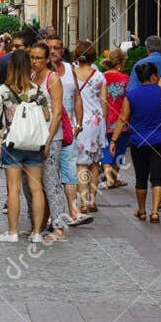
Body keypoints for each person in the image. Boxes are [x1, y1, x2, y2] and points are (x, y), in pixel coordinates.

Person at [0, 48, 50, 244]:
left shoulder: (4, 90)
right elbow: (47, 116)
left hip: (13, 142)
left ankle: (13, 232)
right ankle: (36, 233)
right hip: (34, 144)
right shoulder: (37, 90)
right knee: (36, 189)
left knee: (13, 189)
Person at [113, 62, 161, 223]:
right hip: (160, 141)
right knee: (157, 177)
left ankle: (141, 210)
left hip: (138, 141)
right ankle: (154, 212)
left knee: (141, 178)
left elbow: (123, 119)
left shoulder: (131, 95)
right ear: (154, 76)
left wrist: (114, 140)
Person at [29, 40, 70, 240]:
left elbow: (57, 112)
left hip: (50, 137)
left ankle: (59, 227)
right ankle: (40, 222)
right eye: (32, 58)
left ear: (46, 59)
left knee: (51, 180)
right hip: (32, 136)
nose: (35, 61)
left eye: (38, 58)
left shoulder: (52, 79)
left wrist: (48, 139)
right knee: (35, 183)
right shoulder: (31, 76)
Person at [45, 36, 88, 227]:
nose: (54, 51)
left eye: (57, 48)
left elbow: (77, 96)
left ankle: (73, 211)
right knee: (49, 173)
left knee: (70, 171)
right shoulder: (40, 72)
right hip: (46, 131)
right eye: (50, 48)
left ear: (62, 50)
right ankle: (49, 213)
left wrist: (79, 121)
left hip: (68, 130)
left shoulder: (70, 69)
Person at [69, 41, 105, 216]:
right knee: (94, 163)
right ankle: (92, 200)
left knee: (81, 163)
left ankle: (83, 202)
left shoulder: (72, 74)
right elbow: (104, 103)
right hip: (96, 122)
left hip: (79, 120)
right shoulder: (99, 76)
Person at [100, 47, 130, 189]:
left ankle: (107, 176)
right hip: (121, 120)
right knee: (120, 149)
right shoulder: (126, 79)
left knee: (105, 148)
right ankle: (114, 177)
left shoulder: (101, 77)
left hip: (104, 118)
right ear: (120, 63)